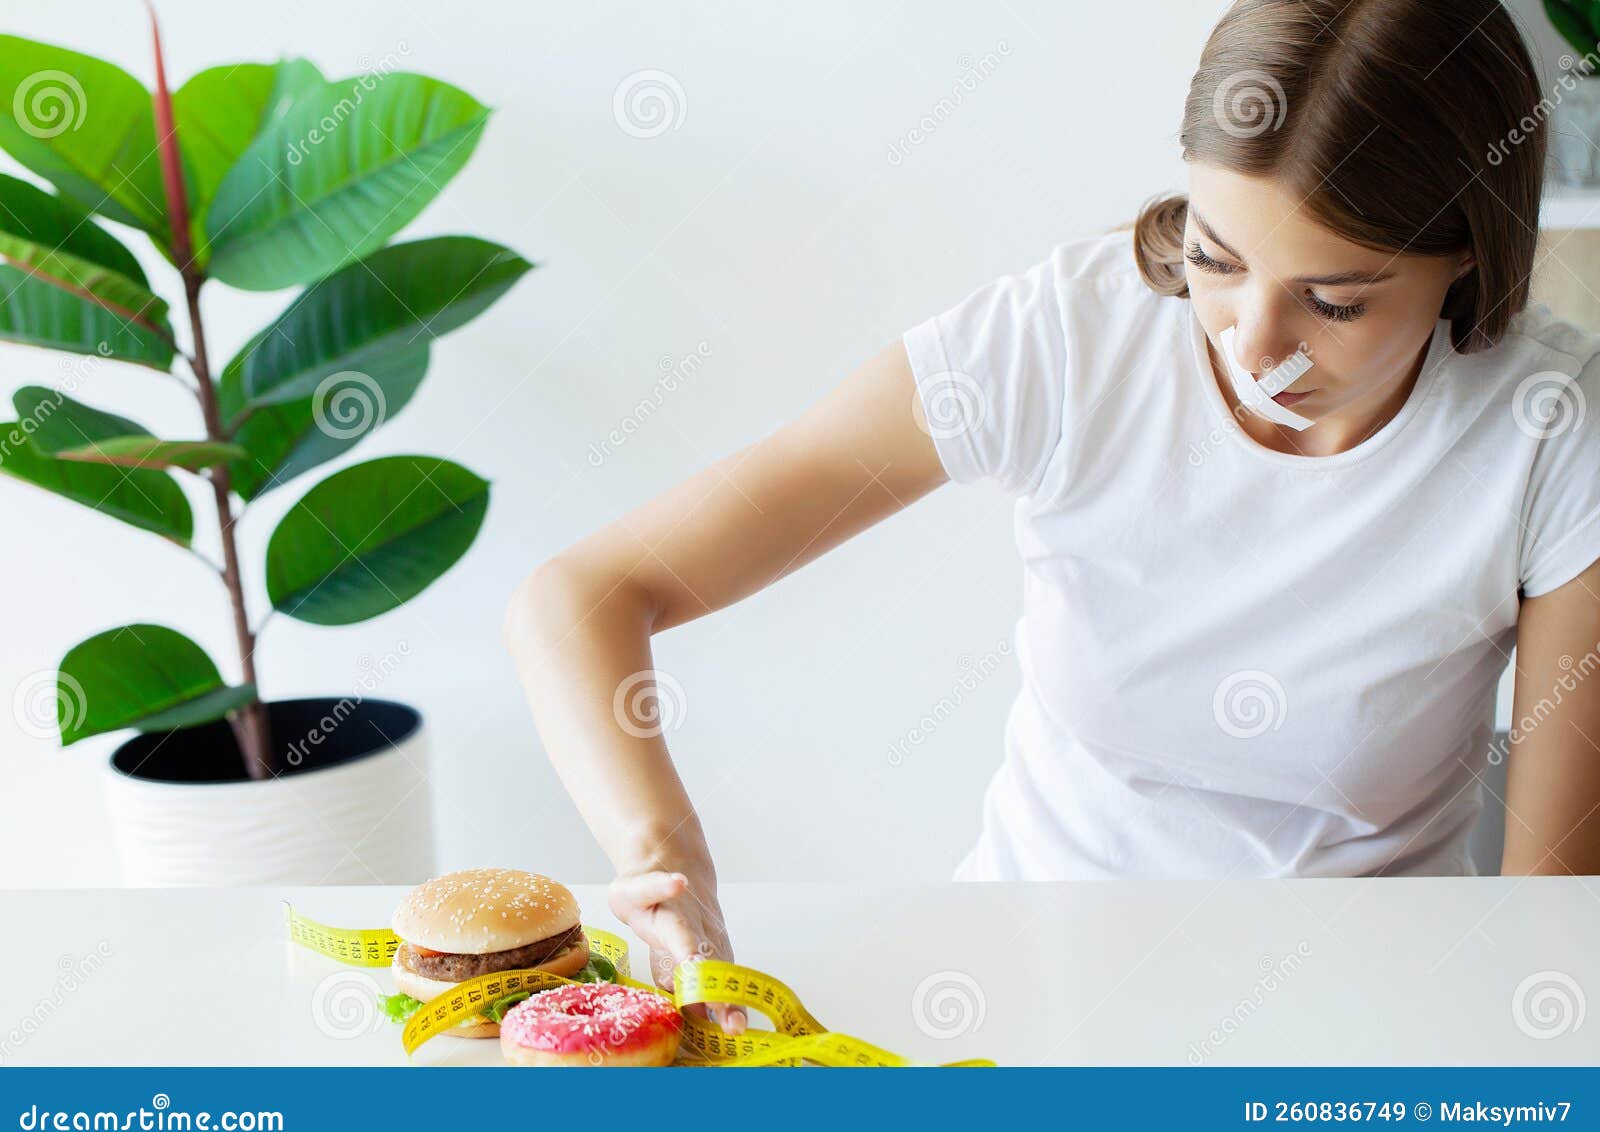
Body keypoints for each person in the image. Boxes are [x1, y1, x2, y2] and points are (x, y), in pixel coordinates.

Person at [502, 0, 1600, 1033]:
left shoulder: (1549, 430)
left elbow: (1552, 925)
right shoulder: (1067, 341)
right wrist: (665, 860)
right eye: (1215, 259)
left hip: (1352, 1035)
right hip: (1021, 1002)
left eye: (1335, 299)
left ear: (1467, 254)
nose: (1253, 344)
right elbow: (583, 597)